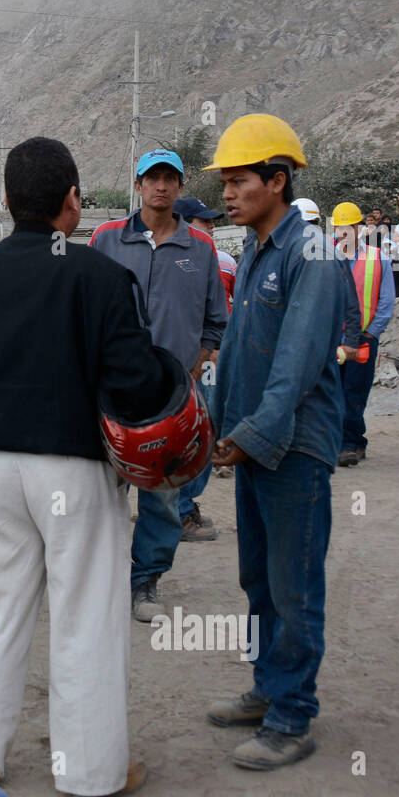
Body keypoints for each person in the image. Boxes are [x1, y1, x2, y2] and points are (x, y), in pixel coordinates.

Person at [0, 136, 175, 797]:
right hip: (73, 469)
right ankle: (91, 773)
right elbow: (137, 384)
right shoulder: (97, 276)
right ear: (71, 203)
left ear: (6, 203)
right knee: (84, 617)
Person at [205, 114, 345, 770]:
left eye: (239, 182)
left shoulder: (311, 253)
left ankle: (292, 718)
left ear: (278, 179)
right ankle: (268, 689)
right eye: (226, 184)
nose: (228, 195)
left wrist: (254, 430)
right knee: (258, 578)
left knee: (293, 587)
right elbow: (236, 353)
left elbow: (296, 363)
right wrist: (215, 423)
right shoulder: (260, 250)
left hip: (295, 449)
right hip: (255, 445)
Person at [89, 149, 228, 620]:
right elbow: (84, 310)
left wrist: (198, 362)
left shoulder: (202, 249)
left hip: (174, 401)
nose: (161, 186)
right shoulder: (106, 240)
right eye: (153, 178)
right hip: (113, 395)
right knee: (104, 491)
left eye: (170, 178)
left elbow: (215, 321)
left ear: (181, 187)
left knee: (164, 497)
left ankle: (145, 582)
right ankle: (102, 581)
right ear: (138, 184)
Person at [172, 195, 233, 541]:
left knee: (203, 433)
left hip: (208, 360)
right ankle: (180, 511)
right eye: (203, 220)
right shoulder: (181, 260)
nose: (211, 225)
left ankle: (183, 506)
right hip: (195, 365)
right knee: (193, 436)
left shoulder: (213, 257)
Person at [332, 201, 394, 467]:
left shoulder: (378, 258)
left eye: (349, 227)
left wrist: (370, 334)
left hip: (365, 339)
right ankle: (338, 442)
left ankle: (352, 444)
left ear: (360, 228)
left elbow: (386, 301)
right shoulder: (325, 257)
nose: (344, 232)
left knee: (354, 392)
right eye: (339, 228)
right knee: (332, 391)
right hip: (332, 338)